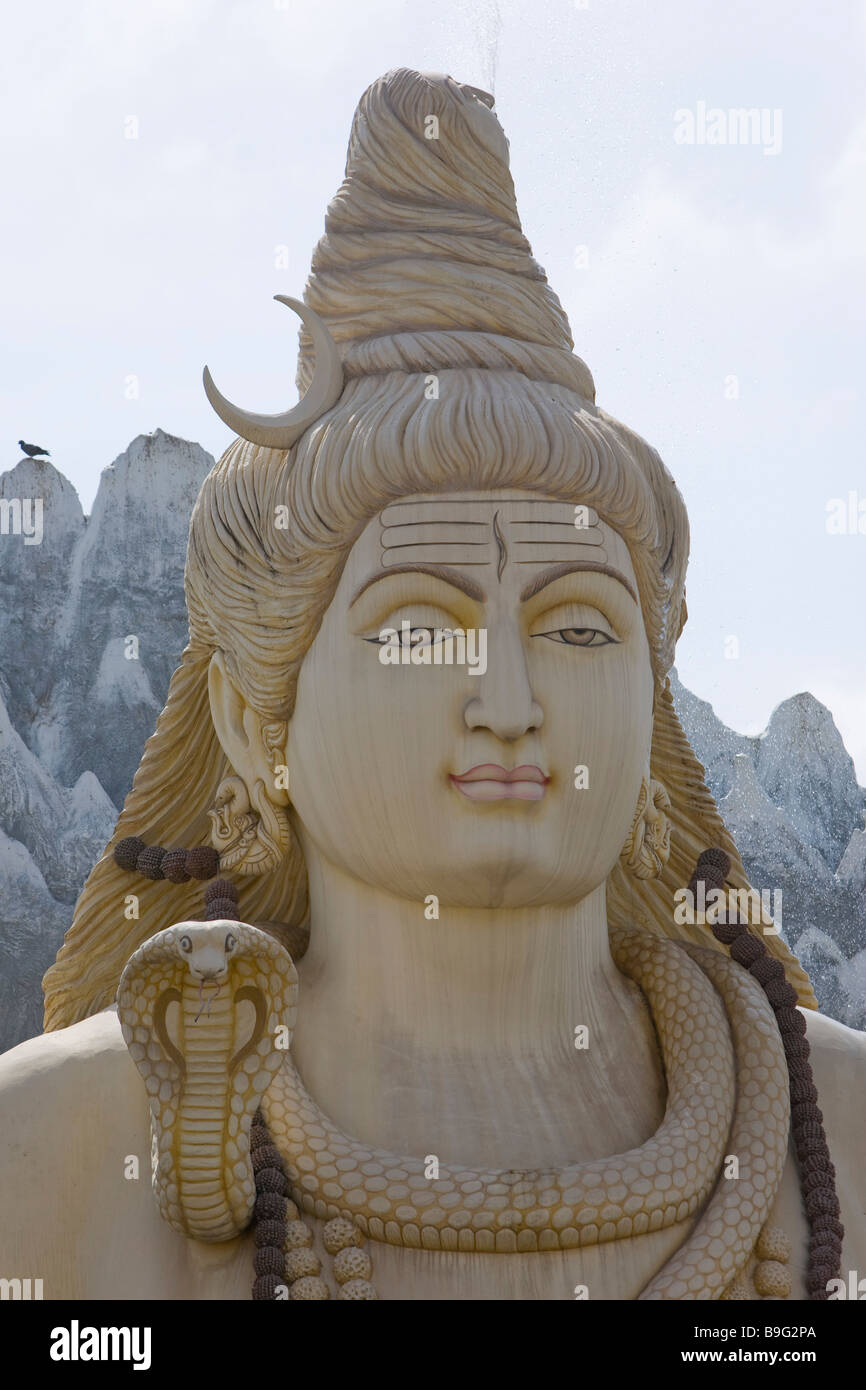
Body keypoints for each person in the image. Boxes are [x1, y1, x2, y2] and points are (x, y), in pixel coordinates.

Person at [1, 68, 863, 1302]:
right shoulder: (54, 1149)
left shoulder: (831, 1120)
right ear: (256, 723)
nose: (507, 700)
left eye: (578, 631)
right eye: (418, 628)